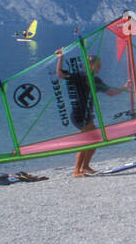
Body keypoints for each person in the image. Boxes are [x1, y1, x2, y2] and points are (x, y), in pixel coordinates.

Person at [55, 48, 128, 176]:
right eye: (97, 65)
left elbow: (111, 93)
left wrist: (125, 87)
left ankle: (85, 167)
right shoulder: (79, 76)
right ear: (89, 65)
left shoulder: (96, 80)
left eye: (100, 65)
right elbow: (60, 75)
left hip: (88, 114)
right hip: (79, 114)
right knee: (86, 141)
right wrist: (60, 57)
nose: (100, 67)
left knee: (95, 139)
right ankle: (76, 171)